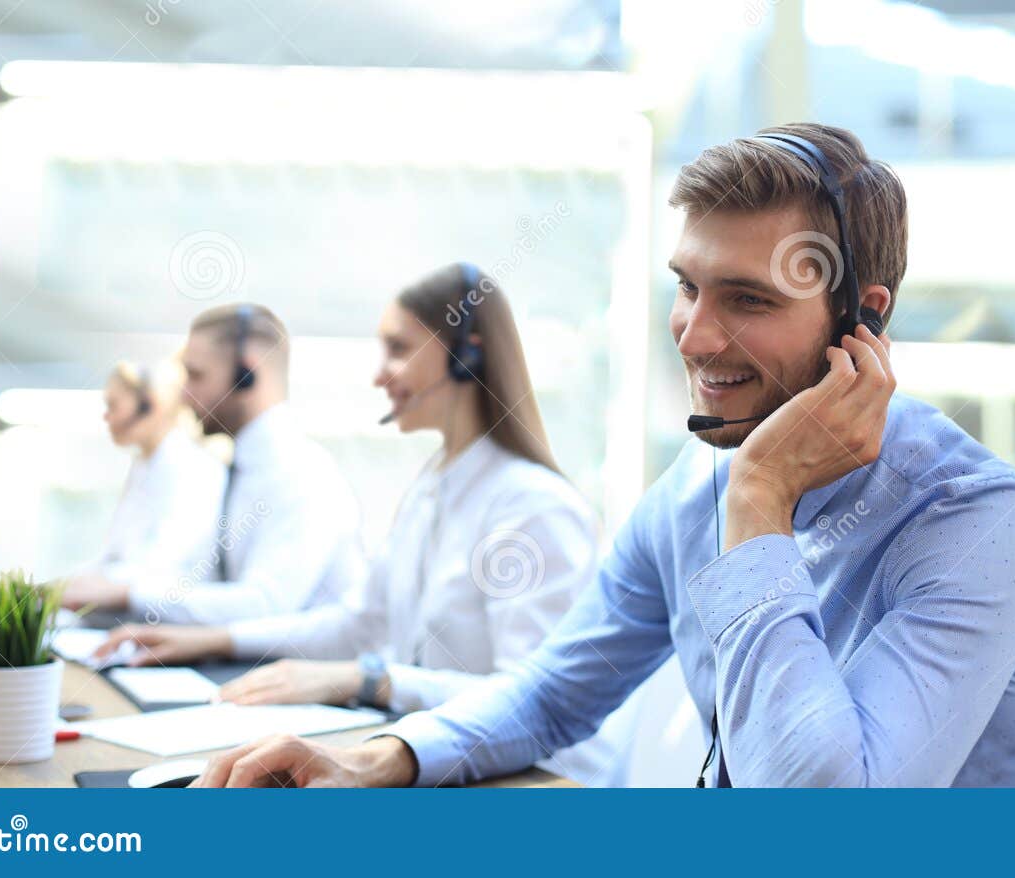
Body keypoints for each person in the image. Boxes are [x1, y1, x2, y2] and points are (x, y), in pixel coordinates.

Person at [192, 123, 1015, 789]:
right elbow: (553, 693)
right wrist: (377, 760)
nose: (694, 336)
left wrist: (760, 499)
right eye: (687, 287)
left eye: (748, 300)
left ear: (862, 318)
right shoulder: (698, 486)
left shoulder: (986, 523)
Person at [94, 265, 632, 785]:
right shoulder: (431, 489)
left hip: (532, 787)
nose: (378, 374)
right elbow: (359, 624)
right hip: (445, 765)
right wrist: (207, 639)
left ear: (467, 353)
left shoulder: (533, 508)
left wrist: (370, 679)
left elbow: (529, 702)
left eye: (398, 349)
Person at [63, 304, 366, 625]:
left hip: (310, 671)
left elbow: (266, 604)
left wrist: (129, 593)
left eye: (195, 376)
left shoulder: (304, 474)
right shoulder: (239, 469)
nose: (182, 396)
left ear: (246, 376)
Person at [75, 360, 224, 585]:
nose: (107, 417)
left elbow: (162, 567)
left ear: (149, 405)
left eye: (113, 406)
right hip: (128, 601)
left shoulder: (192, 467)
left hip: (163, 608)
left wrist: (85, 587)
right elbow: (112, 554)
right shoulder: (143, 465)